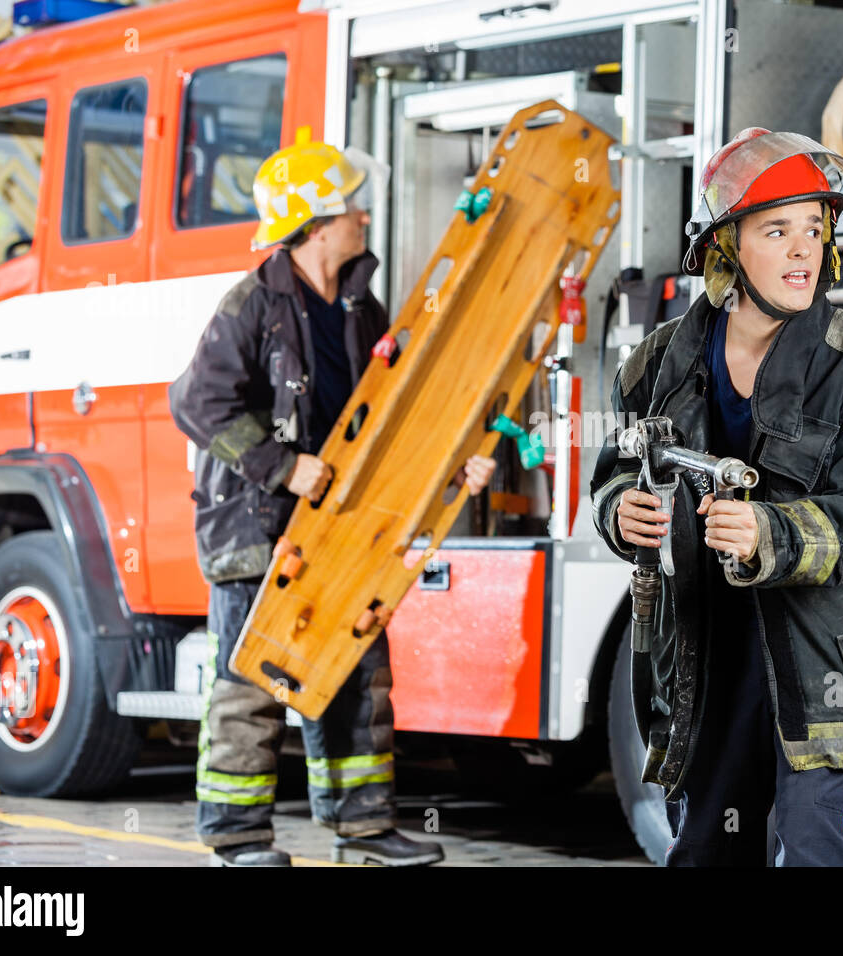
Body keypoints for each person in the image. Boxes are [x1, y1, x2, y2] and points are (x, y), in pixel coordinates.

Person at [590, 127, 843, 866]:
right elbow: (615, 469)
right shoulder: (657, 362)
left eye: (815, 227)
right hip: (707, 659)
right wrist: (620, 511)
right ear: (725, 247)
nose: (804, 249)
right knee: (705, 847)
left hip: (827, 665)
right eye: (778, 230)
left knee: (808, 846)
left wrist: (769, 533)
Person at [169, 129, 495, 866]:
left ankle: (365, 827)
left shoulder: (359, 307)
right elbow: (196, 404)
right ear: (317, 221)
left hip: (340, 531)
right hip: (257, 531)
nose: (365, 218)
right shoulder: (251, 303)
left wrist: (453, 474)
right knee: (251, 684)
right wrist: (285, 469)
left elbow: (387, 423)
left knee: (358, 674)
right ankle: (238, 840)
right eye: (352, 207)